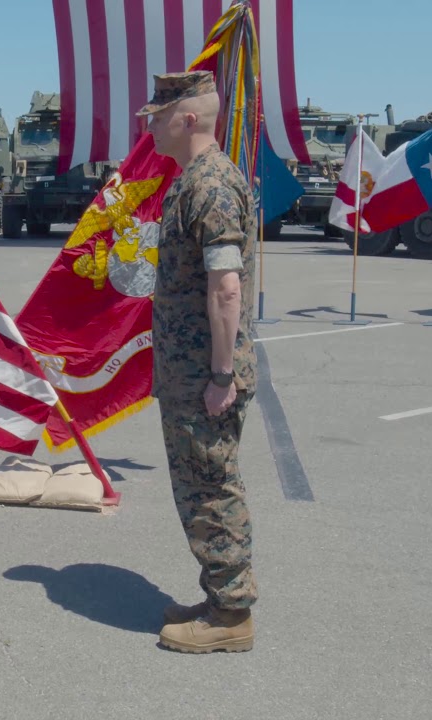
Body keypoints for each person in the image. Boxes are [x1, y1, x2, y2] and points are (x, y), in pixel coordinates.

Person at [137, 70, 260, 653]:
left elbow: (225, 288)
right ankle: (219, 595)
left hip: (203, 379)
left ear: (187, 119)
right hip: (189, 375)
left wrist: (219, 375)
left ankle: (231, 616)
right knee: (198, 486)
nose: (150, 126)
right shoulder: (193, 181)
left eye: (157, 117)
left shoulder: (210, 186)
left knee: (211, 488)